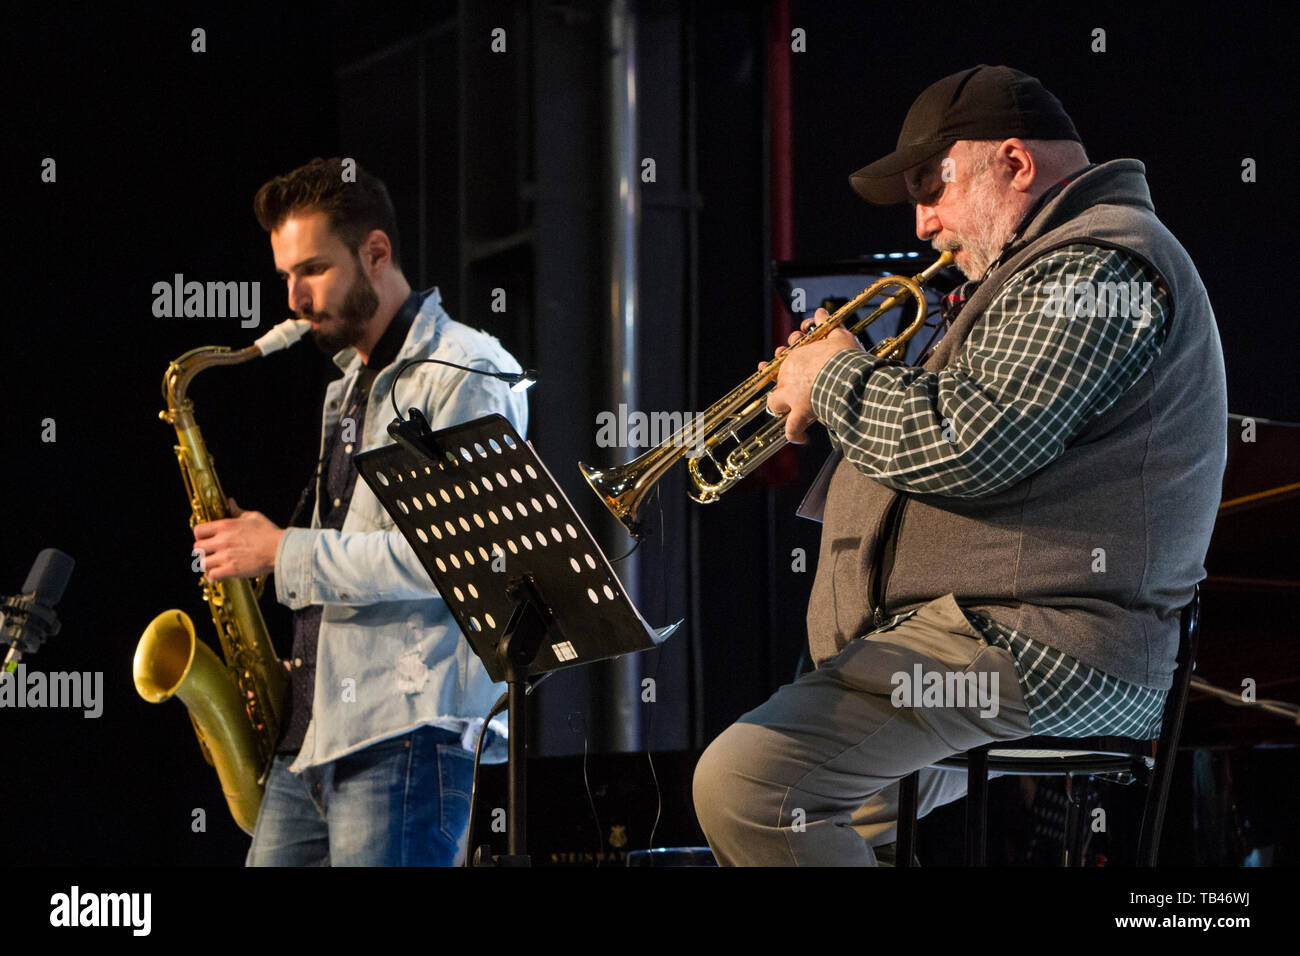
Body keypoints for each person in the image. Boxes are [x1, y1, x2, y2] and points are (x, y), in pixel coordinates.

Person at [692, 65, 1227, 865]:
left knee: (748, 786)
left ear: (1015, 164)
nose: (922, 224)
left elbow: (976, 442)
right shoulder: (1034, 270)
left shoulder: (1092, 266)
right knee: (844, 808)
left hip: (1039, 642)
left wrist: (836, 377)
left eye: (932, 187)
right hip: (985, 638)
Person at [193, 157, 528, 865]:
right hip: (314, 733)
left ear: (375, 253)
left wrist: (281, 552)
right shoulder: (346, 384)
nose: (293, 298)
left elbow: (454, 559)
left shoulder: (468, 370)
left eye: (311, 270)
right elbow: (353, 546)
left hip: (405, 734)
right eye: (286, 275)